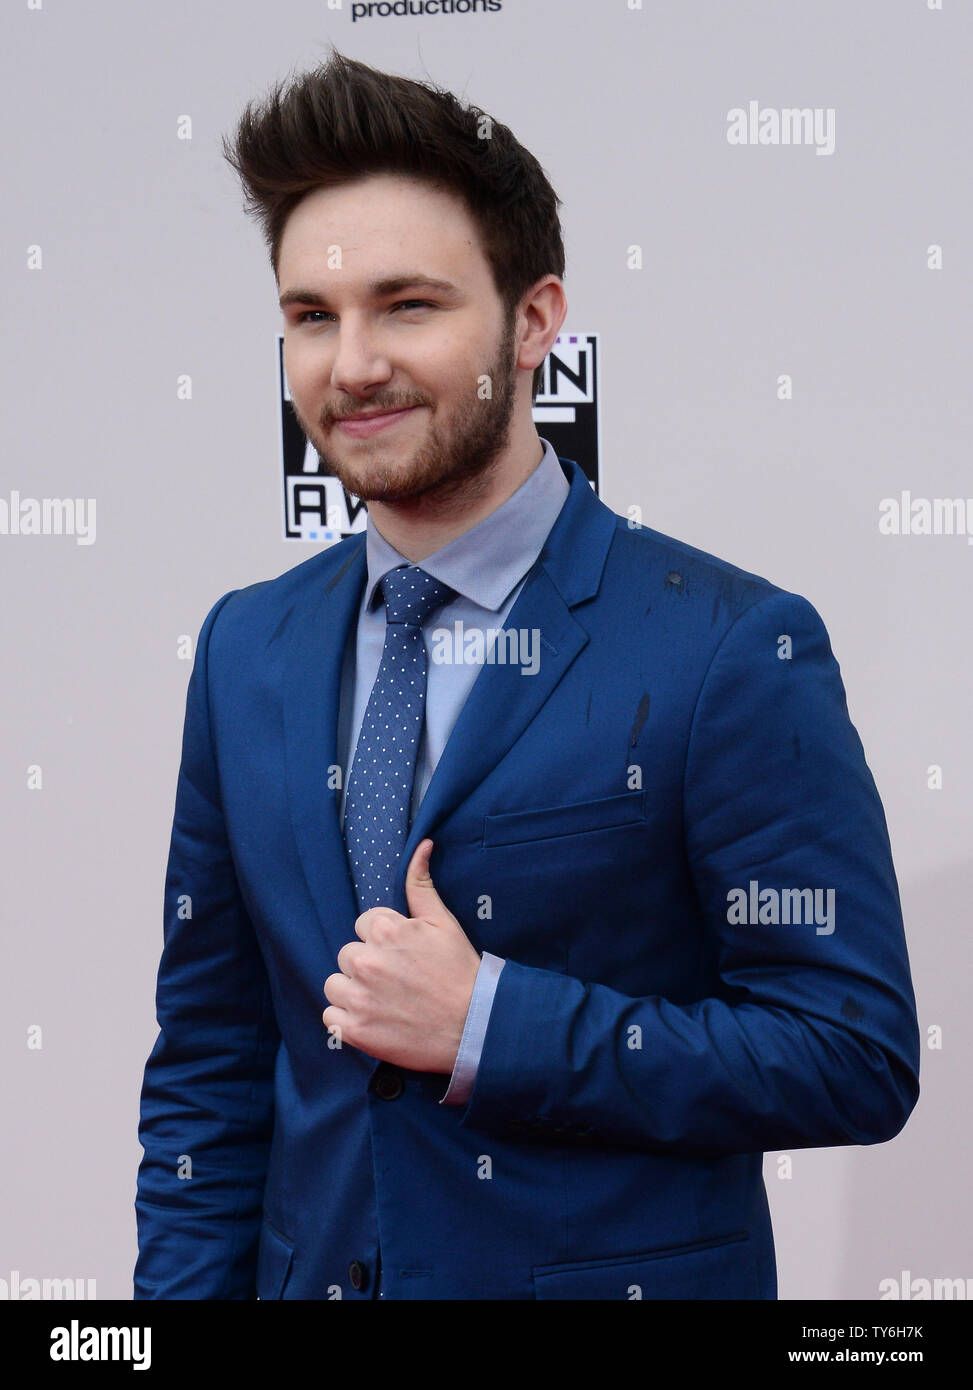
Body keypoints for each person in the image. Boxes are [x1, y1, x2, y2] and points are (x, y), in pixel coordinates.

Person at [134, 47, 920, 1301]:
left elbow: (851, 1051)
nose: (350, 367)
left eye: (408, 305)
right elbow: (211, 1062)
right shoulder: (246, 647)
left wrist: (496, 1026)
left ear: (535, 321)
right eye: (310, 317)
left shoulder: (728, 647)